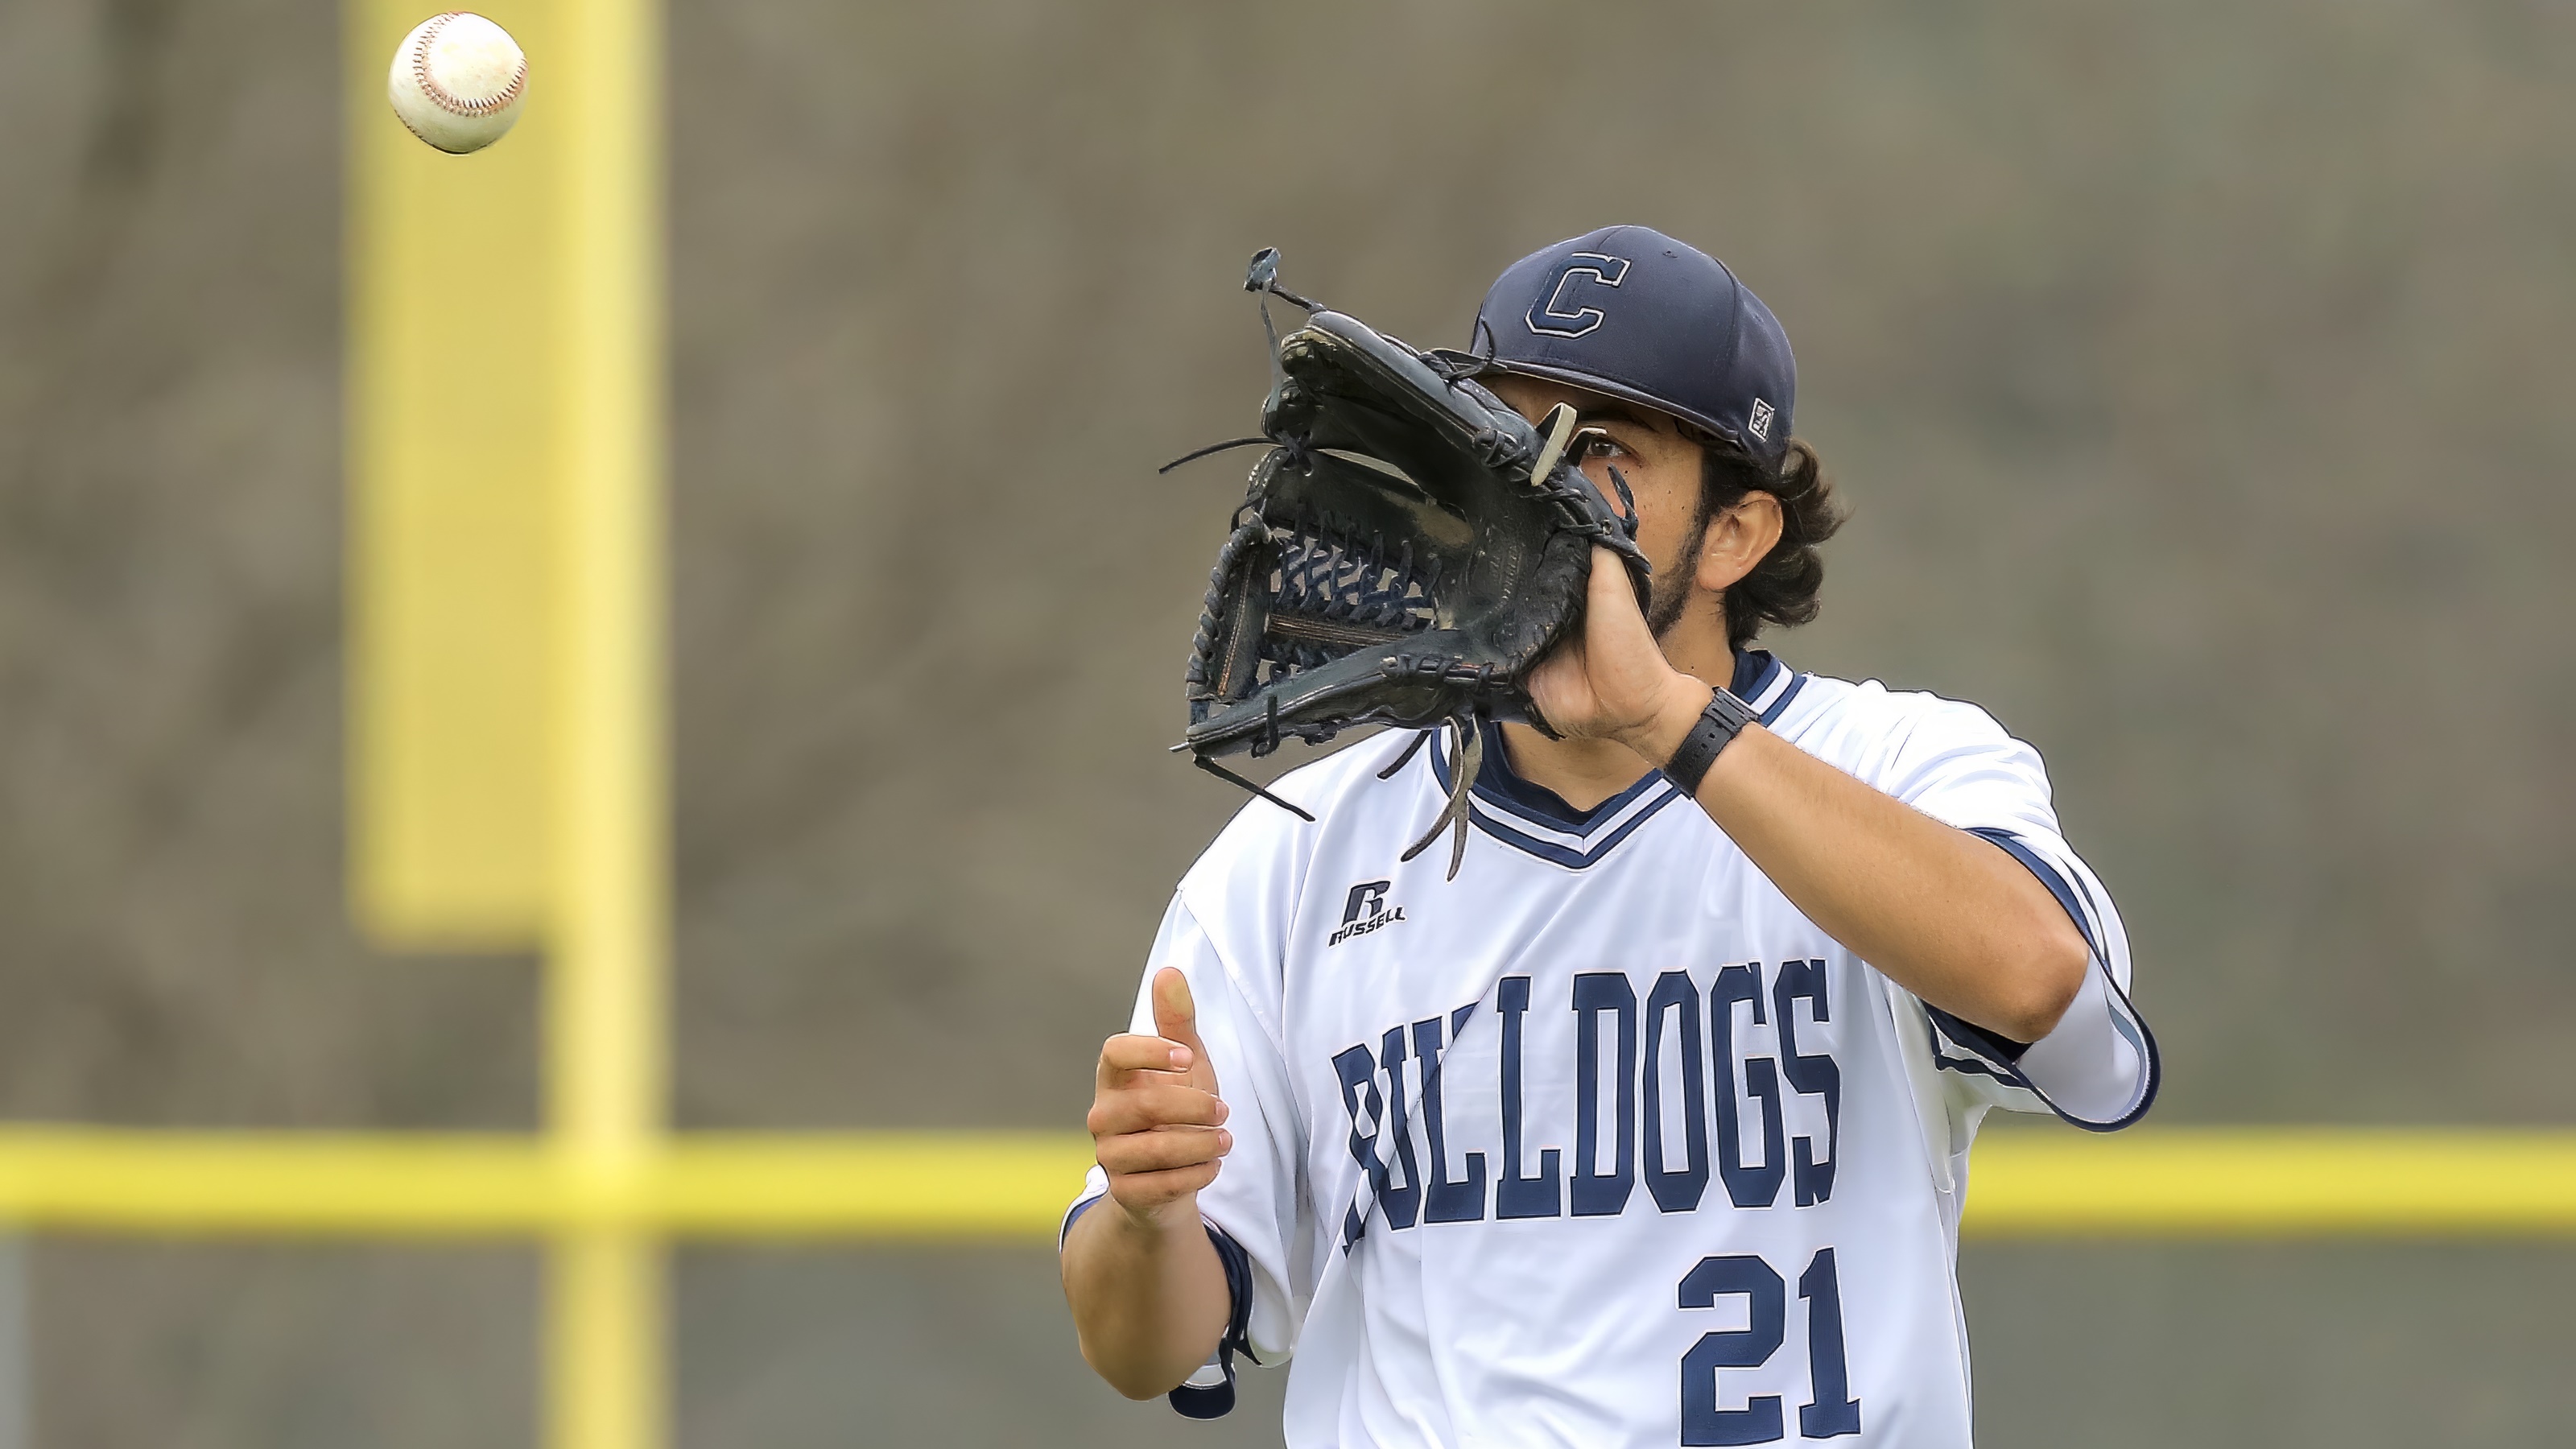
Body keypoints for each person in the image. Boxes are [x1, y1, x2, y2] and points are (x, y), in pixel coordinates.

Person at [1059, 225, 2157, 1447]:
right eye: (1513, 438)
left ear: (1739, 532)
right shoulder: (1297, 855)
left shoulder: (1894, 766)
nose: (1541, 486)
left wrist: (1658, 717)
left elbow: (2041, 984)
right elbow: (1140, 1346)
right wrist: (1148, 1218)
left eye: (1605, 451)